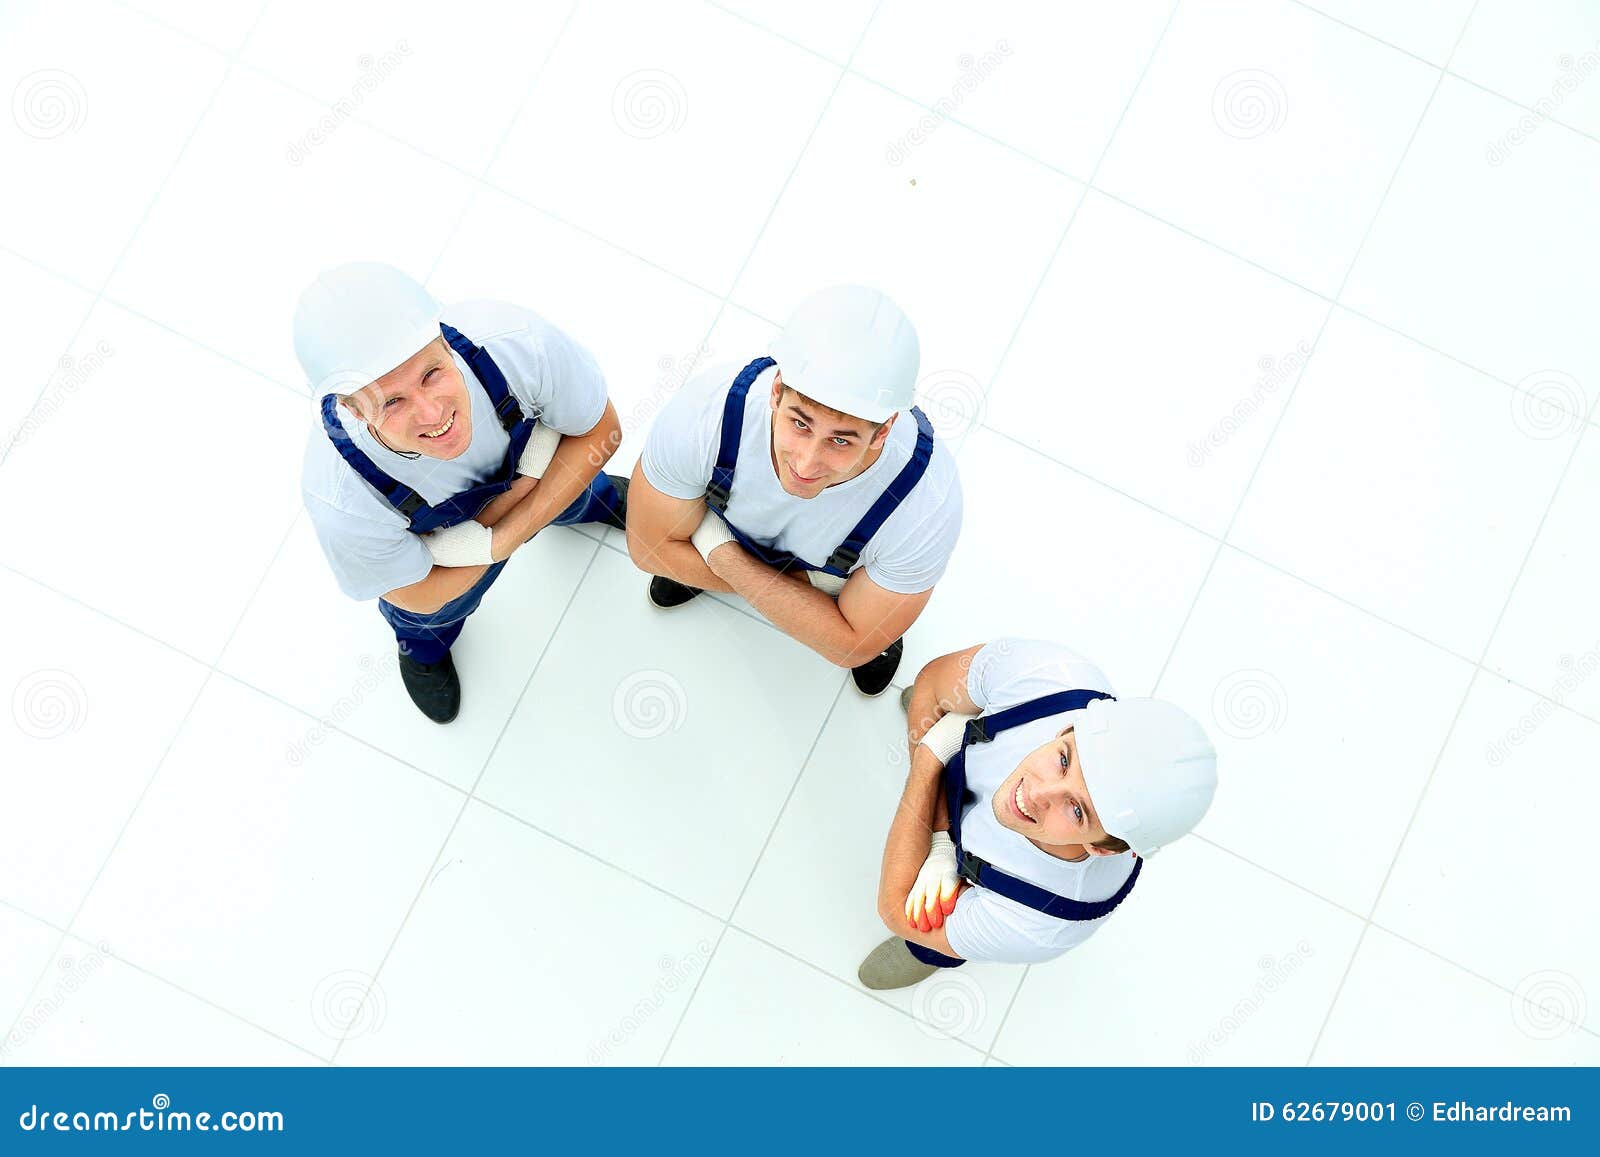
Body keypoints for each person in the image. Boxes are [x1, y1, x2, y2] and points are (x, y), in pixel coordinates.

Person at [294, 262, 628, 723]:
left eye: (431, 374)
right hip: (453, 571)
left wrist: (503, 532)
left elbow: (602, 432)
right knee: (429, 622)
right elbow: (417, 594)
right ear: (350, 409)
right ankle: (425, 652)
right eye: (392, 402)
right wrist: (517, 512)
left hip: (472, 541)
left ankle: (597, 502)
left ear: (444, 340)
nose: (433, 414)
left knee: (584, 490)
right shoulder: (341, 496)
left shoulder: (516, 343)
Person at [626, 286, 962, 696]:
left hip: (827, 568)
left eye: (841, 441)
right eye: (800, 424)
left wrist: (716, 550)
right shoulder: (704, 416)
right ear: (776, 390)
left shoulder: (926, 505)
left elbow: (850, 646)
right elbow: (648, 551)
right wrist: (813, 610)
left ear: (883, 432)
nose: (805, 464)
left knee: (867, 637)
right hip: (809, 576)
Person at [858, 638, 1217, 988]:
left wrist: (931, 751)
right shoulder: (1052, 679)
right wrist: (938, 834)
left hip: (976, 878)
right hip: (958, 769)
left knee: (928, 930)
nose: (1036, 794)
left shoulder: (1042, 921)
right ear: (1067, 728)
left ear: (1102, 849)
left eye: (1077, 810)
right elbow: (930, 687)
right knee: (933, 710)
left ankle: (930, 954)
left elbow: (895, 908)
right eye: (1063, 760)